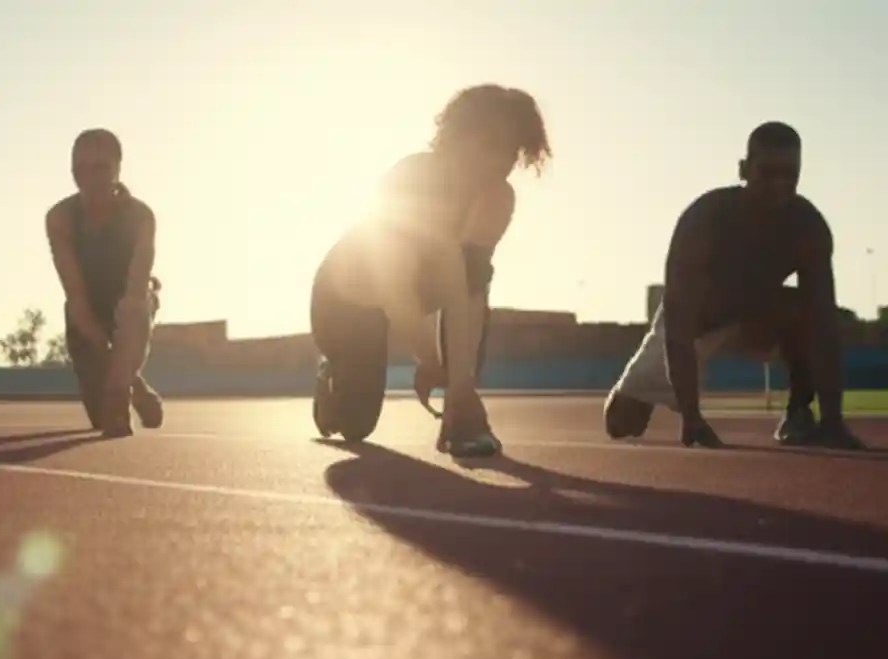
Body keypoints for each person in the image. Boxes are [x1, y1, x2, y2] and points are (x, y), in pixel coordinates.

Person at [310, 84, 551, 457]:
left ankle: (459, 420)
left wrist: (461, 388)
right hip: (346, 302)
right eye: (489, 143)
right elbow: (395, 290)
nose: (501, 160)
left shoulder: (497, 199)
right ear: (455, 137)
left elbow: (467, 292)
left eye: (512, 149)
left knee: (474, 284)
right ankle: (333, 377)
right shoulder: (413, 179)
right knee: (354, 427)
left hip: (421, 290)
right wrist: (432, 363)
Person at [604, 121, 866, 450]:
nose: (779, 184)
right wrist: (691, 416)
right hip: (696, 326)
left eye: (790, 174)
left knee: (811, 311)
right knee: (620, 423)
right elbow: (678, 322)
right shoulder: (705, 219)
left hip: (757, 319)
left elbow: (823, 322)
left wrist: (833, 420)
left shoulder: (807, 226)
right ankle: (637, 399)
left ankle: (799, 412)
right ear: (744, 169)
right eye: (768, 173)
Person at [45, 128, 164, 437]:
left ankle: (120, 387)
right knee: (100, 417)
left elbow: (137, 290)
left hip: (130, 300)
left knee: (136, 307)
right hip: (86, 307)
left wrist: (116, 392)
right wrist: (117, 372)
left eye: (100, 168)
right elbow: (76, 297)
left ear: (118, 168)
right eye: (80, 170)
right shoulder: (59, 217)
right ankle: (132, 384)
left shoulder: (141, 217)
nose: (90, 178)